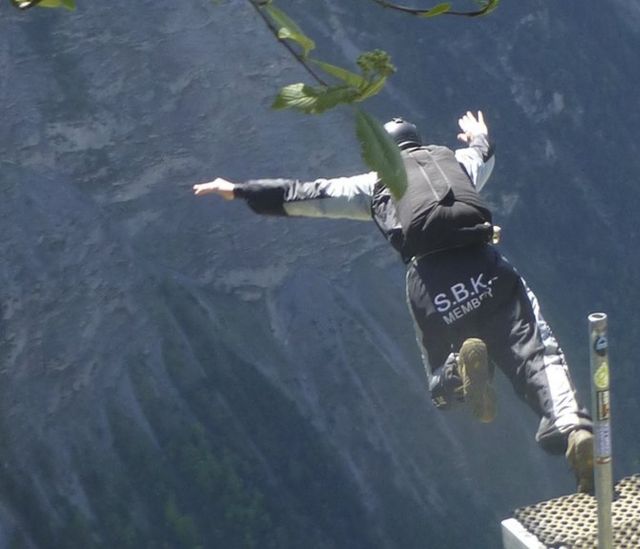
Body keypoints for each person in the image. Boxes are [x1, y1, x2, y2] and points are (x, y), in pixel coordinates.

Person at [193, 111, 594, 492]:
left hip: (431, 285)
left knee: (439, 371)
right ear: (417, 142)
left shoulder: (373, 183)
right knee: (536, 351)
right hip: (485, 267)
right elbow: (483, 152)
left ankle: (455, 373)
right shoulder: (453, 164)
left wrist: (239, 190)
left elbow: (305, 194)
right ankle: (571, 424)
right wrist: (477, 134)